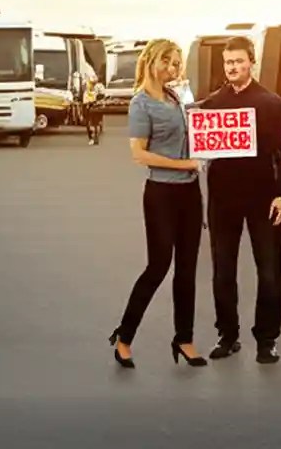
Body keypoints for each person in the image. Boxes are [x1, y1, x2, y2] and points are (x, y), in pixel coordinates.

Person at [109, 39, 207, 369]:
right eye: (169, 62)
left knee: (188, 269)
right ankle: (124, 337)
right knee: (159, 265)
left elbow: (193, 134)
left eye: (178, 63)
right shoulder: (141, 103)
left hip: (191, 194)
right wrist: (187, 165)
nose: (174, 68)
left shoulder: (176, 96)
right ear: (152, 61)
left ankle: (185, 339)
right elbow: (139, 155)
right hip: (161, 194)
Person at [194, 35, 281, 364]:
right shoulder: (211, 105)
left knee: (269, 271)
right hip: (222, 200)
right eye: (228, 62)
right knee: (223, 271)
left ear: (252, 62)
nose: (233, 67)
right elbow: (202, 157)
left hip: (264, 199)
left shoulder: (272, 104)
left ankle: (267, 339)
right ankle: (228, 335)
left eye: (239, 61)